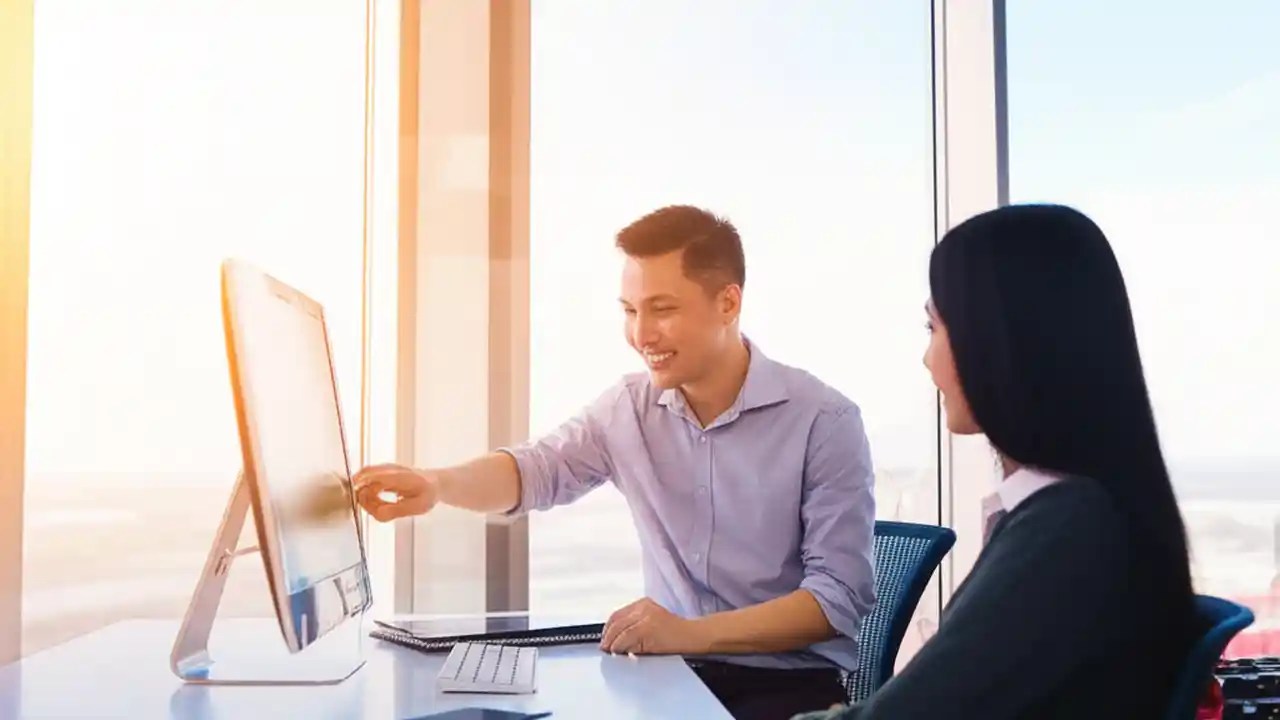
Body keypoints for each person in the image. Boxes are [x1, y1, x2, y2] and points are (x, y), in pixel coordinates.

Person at [353, 205, 877, 720]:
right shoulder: (628, 408)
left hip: (785, 688)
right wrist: (437, 484)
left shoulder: (824, 421)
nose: (641, 335)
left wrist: (686, 633)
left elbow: (836, 600)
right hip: (667, 675)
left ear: (728, 302)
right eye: (630, 311)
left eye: (663, 309)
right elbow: (536, 470)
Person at [794, 204, 1198, 719]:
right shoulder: (1087, 512)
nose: (927, 358)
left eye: (932, 327)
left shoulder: (1068, 530)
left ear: (999, 339)